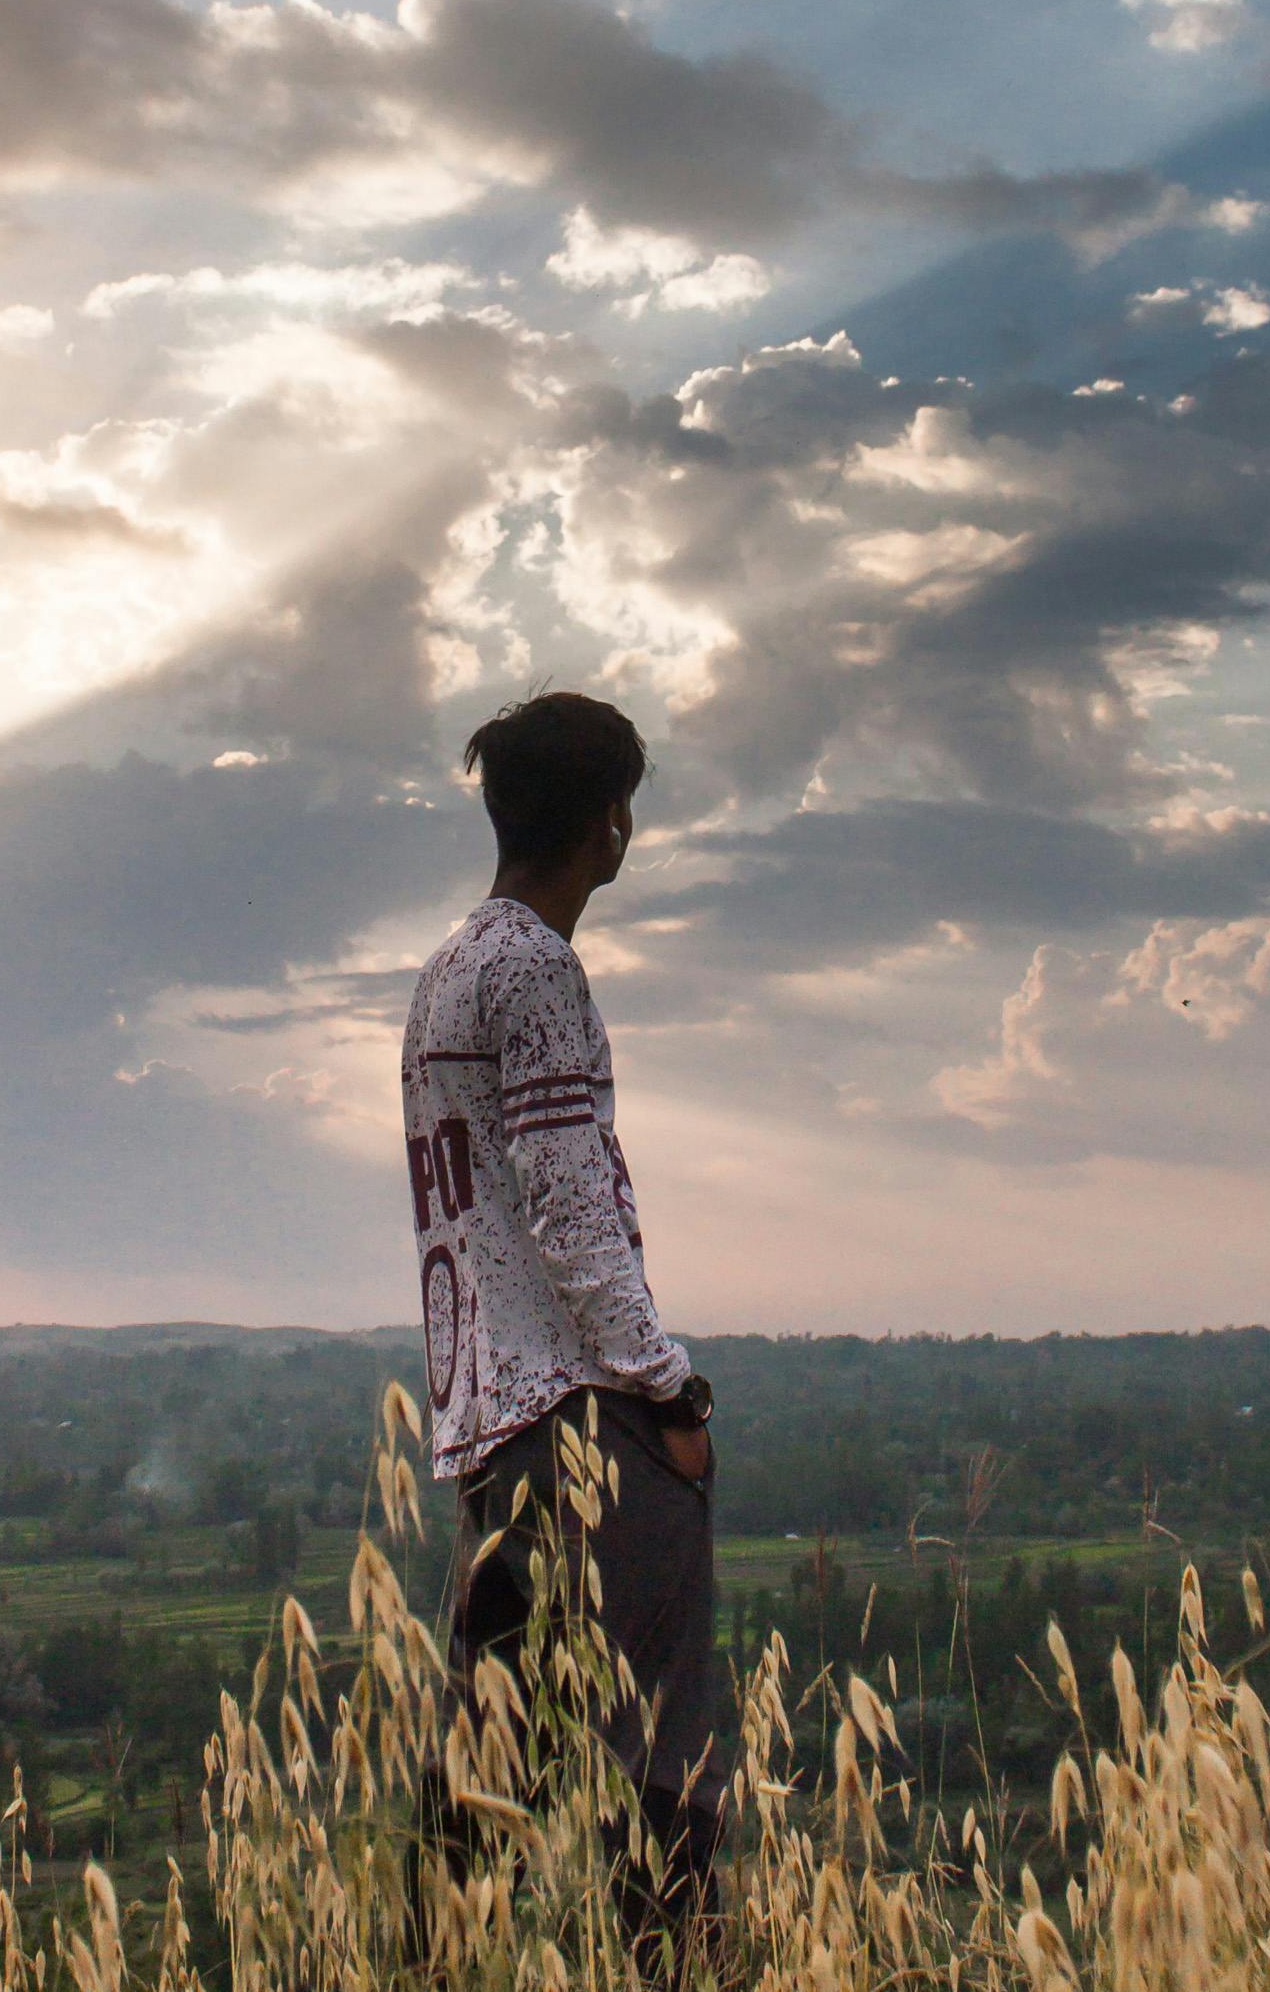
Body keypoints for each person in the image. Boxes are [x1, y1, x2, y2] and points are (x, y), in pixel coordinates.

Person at [400, 689, 721, 1968]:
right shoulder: (538, 968)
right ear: (613, 823)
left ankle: (436, 1966)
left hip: (488, 1426)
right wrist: (668, 1393)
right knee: (663, 1768)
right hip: (585, 1423)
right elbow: (569, 1199)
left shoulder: (445, 974)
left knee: (483, 1772)